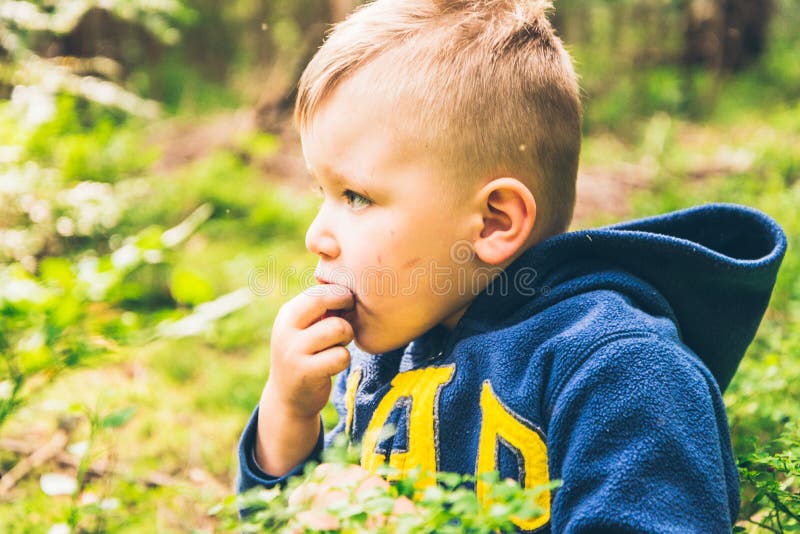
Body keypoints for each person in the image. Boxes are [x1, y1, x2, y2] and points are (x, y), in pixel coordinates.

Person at [236, 0, 787, 531]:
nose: (317, 236)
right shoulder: (387, 350)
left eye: (356, 196)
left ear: (495, 221)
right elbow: (295, 521)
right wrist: (288, 413)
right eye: (322, 193)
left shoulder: (618, 372)